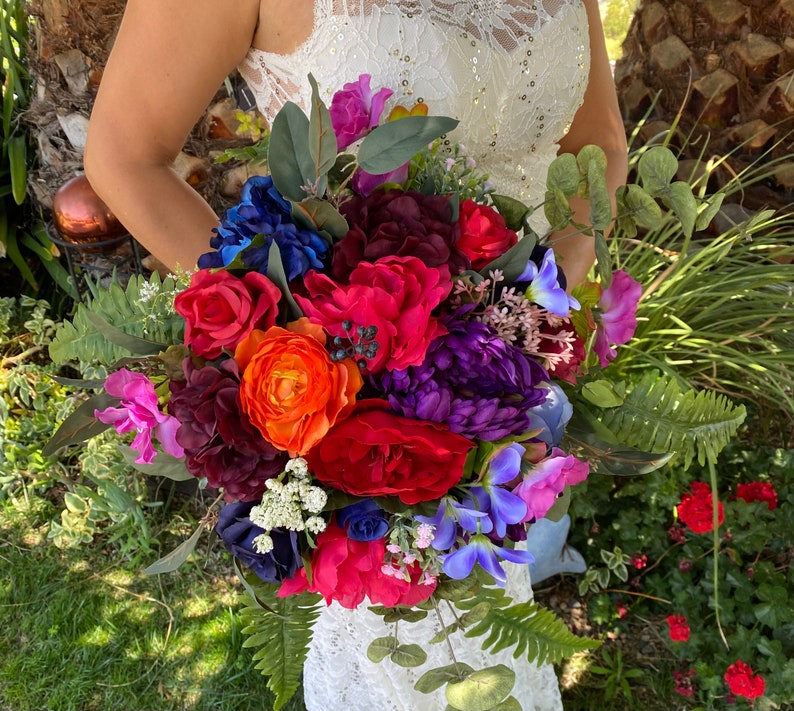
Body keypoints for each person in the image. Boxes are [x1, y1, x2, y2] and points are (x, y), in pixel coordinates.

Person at [85, 2, 627, 709]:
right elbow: (124, 152)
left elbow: (601, 145)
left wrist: (535, 313)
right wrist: (280, 337)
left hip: (498, 400)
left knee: (494, 656)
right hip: (363, 426)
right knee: (406, 669)